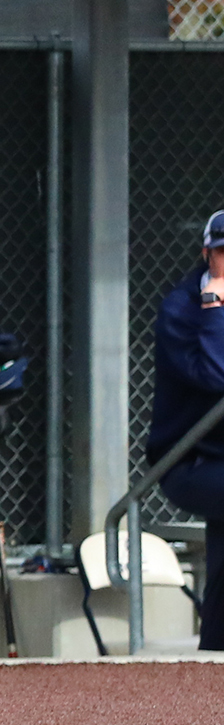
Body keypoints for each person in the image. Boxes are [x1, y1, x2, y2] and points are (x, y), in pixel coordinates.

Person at [152, 209, 224, 649]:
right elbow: (217, 375)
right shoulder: (182, 309)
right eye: (222, 253)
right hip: (188, 461)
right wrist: (216, 306)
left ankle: (214, 652)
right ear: (206, 254)